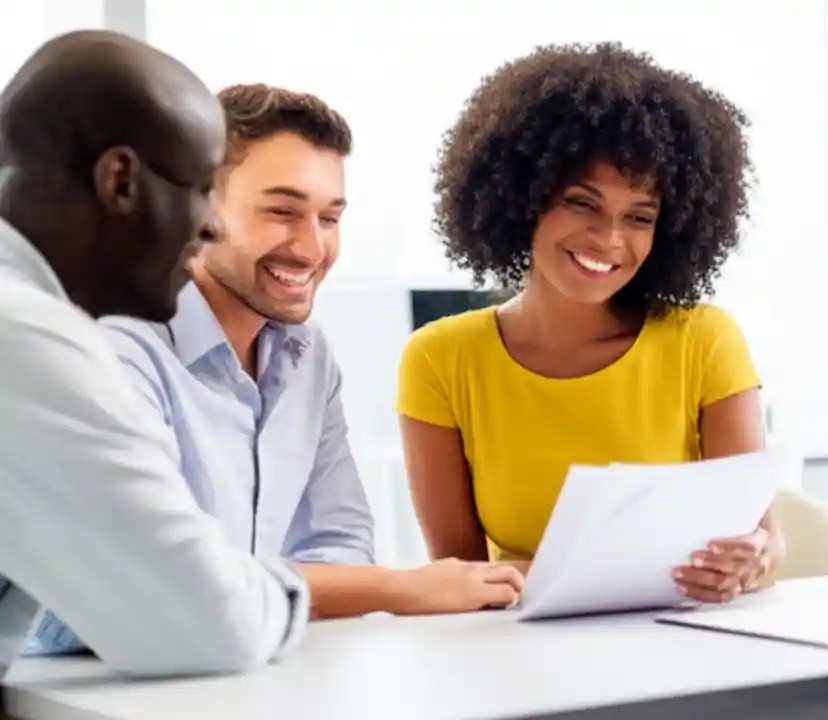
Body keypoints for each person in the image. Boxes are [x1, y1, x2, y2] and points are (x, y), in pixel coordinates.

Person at [25, 83, 525, 656]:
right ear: (200, 208)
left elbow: (339, 548)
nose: (312, 248)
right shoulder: (117, 347)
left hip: (248, 671)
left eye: (329, 218)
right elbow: (158, 583)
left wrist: (303, 590)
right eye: (282, 211)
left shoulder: (307, 357)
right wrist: (395, 588)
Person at [397, 42, 784, 604]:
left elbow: (766, 540)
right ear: (522, 196)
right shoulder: (440, 359)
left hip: (687, 642)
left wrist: (751, 560)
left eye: (639, 217)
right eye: (582, 203)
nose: (609, 240)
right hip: (519, 655)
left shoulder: (703, 340)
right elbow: (459, 577)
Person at [0, 31, 307, 677]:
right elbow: (209, 627)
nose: (211, 226)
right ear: (120, 181)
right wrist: (280, 587)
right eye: (200, 186)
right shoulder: (24, 337)